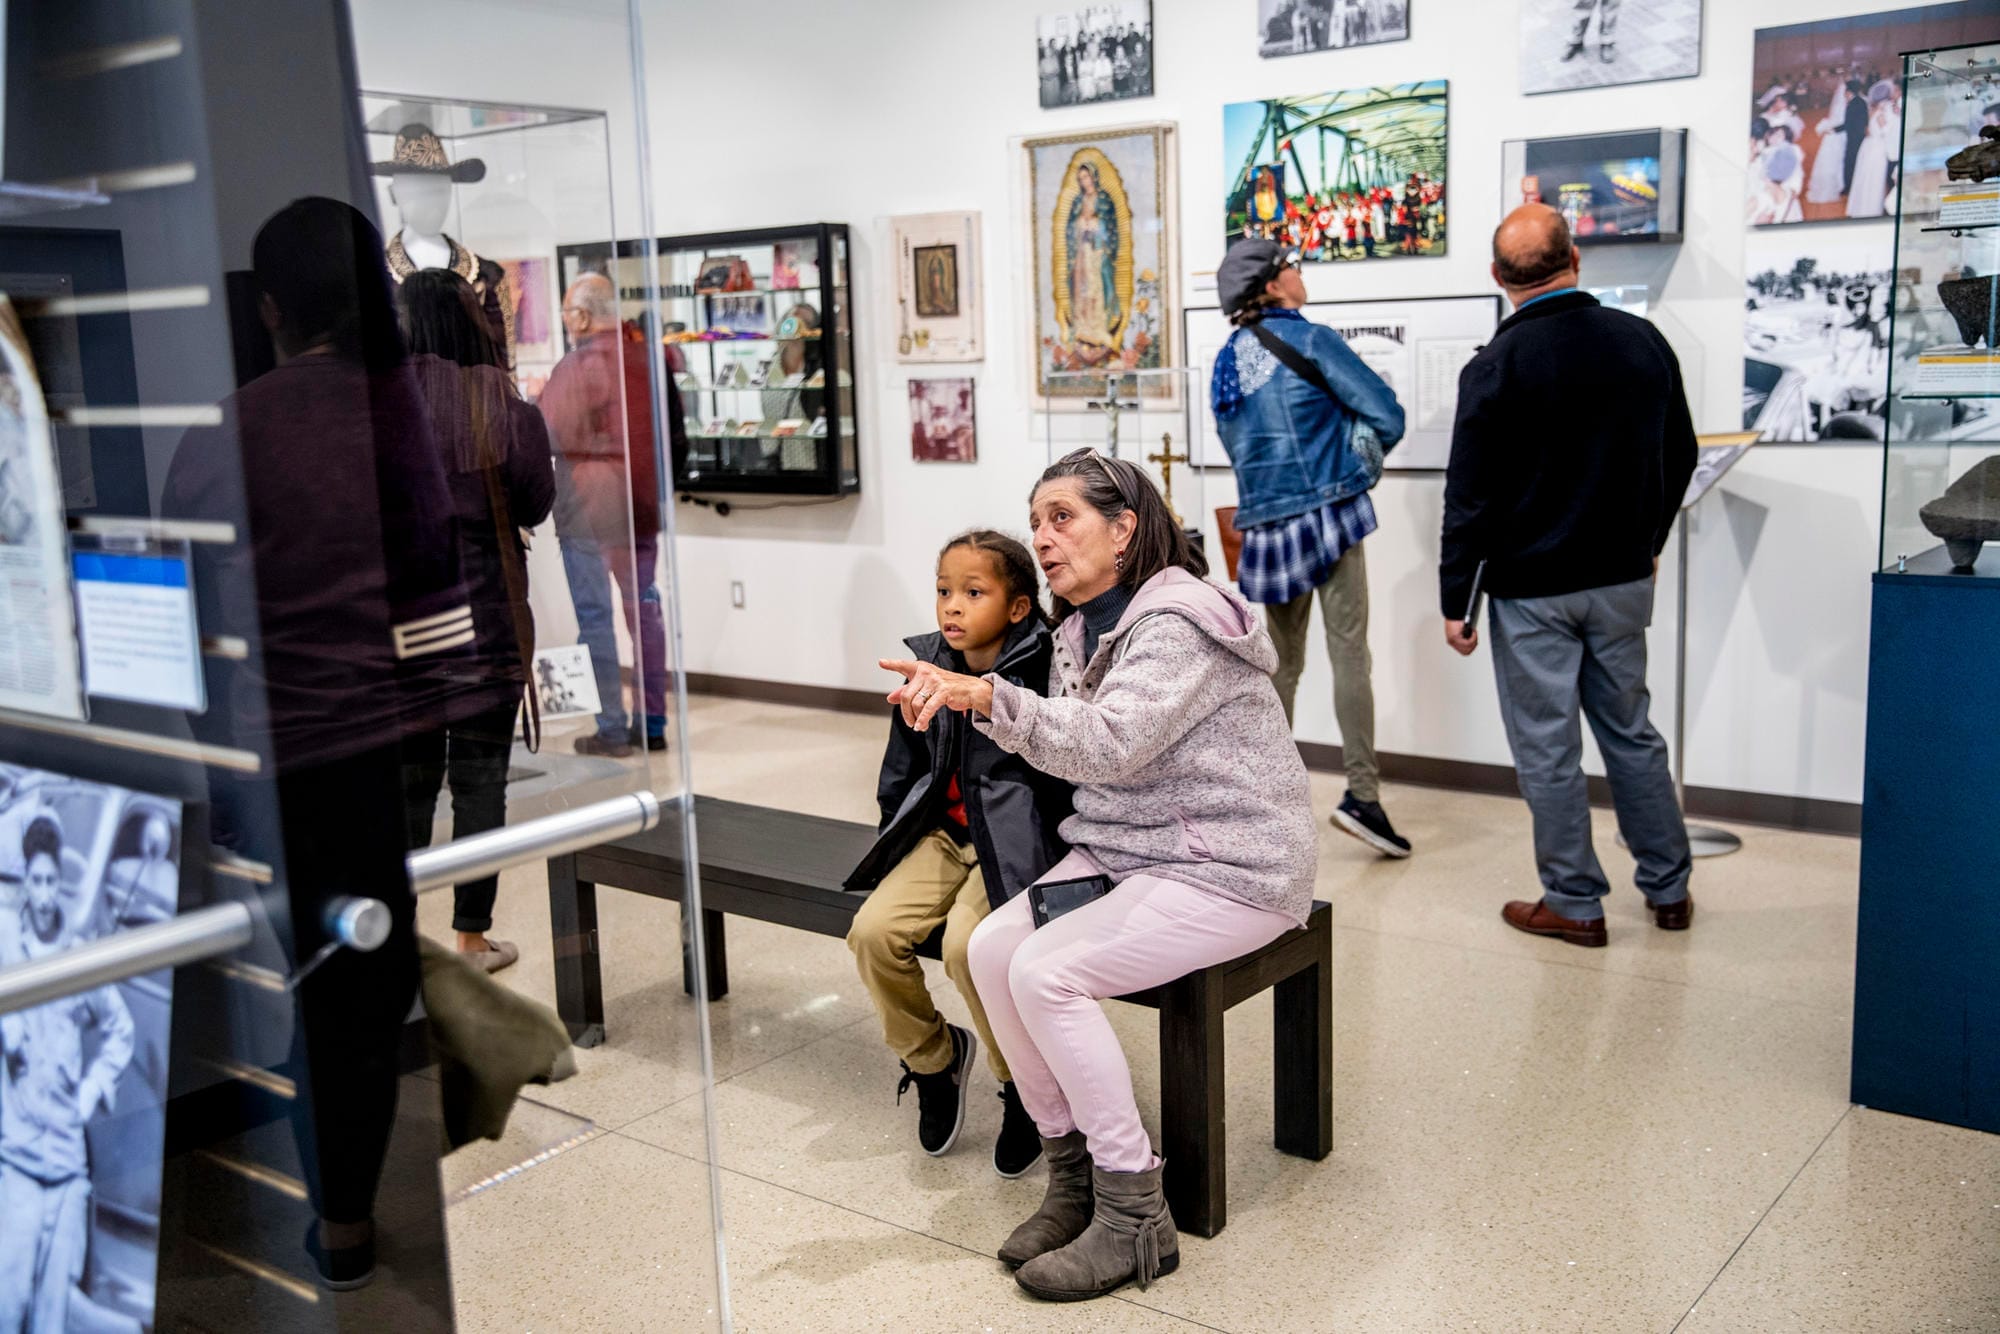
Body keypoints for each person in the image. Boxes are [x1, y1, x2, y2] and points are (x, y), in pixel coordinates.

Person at [880, 450, 1317, 1302]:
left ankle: (1133, 1211)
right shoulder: (1080, 627)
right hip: (1128, 851)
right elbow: (1081, 755)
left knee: (1050, 971)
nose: (1041, 538)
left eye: (1062, 518)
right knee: (993, 949)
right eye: (1035, 520)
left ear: (1124, 529)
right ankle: (1071, 1176)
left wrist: (981, 697)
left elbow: (1110, 743)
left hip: (1226, 860)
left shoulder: (1176, 621)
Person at [163, 195, 471, 1290]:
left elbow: (192, 627)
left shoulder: (223, 429)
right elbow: (436, 603)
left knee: (300, 978)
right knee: (363, 981)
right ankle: (344, 1216)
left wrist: (220, 761)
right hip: (379, 754)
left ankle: (328, 1210)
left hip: (272, 761)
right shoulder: (401, 420)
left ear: (271, 304)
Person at [1440, 205, 1696, 948]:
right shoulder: (1641, 341)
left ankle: (1576, 903)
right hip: (1621, 578)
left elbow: (1470, 497)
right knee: (1632, 732)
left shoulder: (1496, 365)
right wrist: (1650, 537)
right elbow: (1678, 453)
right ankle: (1670, 889)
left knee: (1548, 749)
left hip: (1531, 592)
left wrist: (1458, 598)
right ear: (1574, 259)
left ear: (1498, 278)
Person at [844, 531, 1072, 1178]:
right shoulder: (929, 665)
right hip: (943, 836)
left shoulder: (1040, 672)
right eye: (945, 590)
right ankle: (934, 1060)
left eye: (975, 592)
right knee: (872, 933)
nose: (953, 606)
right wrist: (895, 840)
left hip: (1011, 841)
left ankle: (1022, 1086)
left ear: (1019, 607)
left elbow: (1056, 777)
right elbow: (902, 770)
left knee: (966, 946)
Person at [1209, 237, 1412, 858]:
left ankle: (1256, 804)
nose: (1300, 274)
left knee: (1280, 667)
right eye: (1292, 266)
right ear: (1272, 285)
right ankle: (1363, 798)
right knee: (1350, 654)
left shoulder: (1224, 361)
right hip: (1330, 515)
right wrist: (1357, 462)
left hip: (1266, 530)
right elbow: (1387, 414)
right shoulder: (1313, 339)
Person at [398, 268, 557, 972]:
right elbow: (534, 503)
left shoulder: (382, 408)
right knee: (480, 779)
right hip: (487, 616)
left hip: (405, 621)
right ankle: (469, 937)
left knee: (409, 779)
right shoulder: (508, 410)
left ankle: (394, 934)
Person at [0, 816, 135, 1331]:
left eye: (51, 881)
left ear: (60, 883)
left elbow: (120, 1027)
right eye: (34, 881)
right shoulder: (8, 950)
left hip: (66, 1165)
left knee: (52, 1318)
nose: (43, 894)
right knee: (8, 1305)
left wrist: (92, 1088)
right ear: (25, 883)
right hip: (16, 1162)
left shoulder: (76, 958)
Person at [543, 273, 683, 757]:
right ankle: (654, 723)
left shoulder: (574, 368)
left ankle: (611, 727)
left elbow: (548, 434)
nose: (566, 322)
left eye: (566, 314)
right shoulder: (652, 360)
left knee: (595, 620)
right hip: (640, 510)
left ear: (581, 316)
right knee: (645, 613)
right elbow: (676, 438)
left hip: (586, 513)